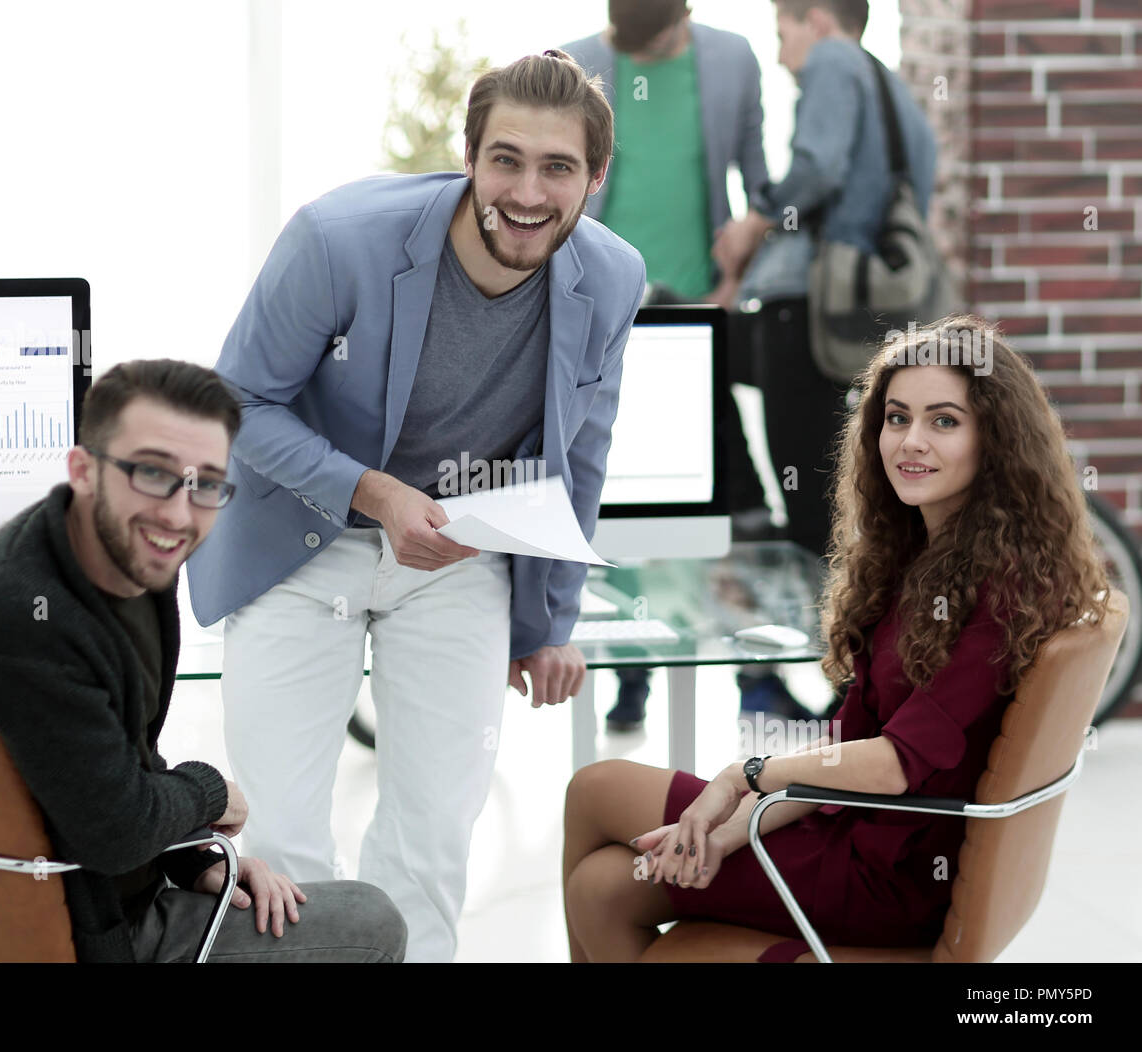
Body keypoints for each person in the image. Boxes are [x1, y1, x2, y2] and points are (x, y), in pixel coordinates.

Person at [185, 51, 647, 962]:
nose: (527, 191)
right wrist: (375, 490)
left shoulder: (614, 277)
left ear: (594, 178)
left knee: (434, 831)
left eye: (558, 168)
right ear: (469, 157)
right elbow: (234, 405)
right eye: (506, 159)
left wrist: (548, 619)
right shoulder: (339, 238)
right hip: (303, 538)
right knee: (280, 835)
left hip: (459, 558)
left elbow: (580, 454)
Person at [562, 317, 1112, 961]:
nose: (911, 441)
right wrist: (735, 830)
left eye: (944, 421)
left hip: (887, 876)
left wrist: (749, 776)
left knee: (601, 866)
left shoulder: (1005, 587)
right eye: (897, 417)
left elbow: (897, 763)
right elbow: (850, 740)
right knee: (600, 831)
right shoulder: (923, 555)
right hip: (850, 825)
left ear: (997, 438)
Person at [0, 360, 407, 963]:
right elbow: (117, 832)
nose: (179, 514)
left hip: (113, 884)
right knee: (371, 924)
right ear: (83, 471)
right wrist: (207, 793)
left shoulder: (124, 556)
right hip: (75, 925)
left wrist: (199, 858)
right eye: (150, 474)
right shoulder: (26, 617)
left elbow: (114, 758)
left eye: (204, 483)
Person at [563, 0, 787, 731]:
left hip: (699, 312)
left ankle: (756, 673)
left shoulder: (730, 60)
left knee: (735, 500)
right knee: (614, 500)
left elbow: (760, 188)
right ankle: (632, 670)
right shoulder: (573, 63)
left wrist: (733, 286)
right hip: (604, 317)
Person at [714, 0, 938, 562]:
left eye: (781, 33)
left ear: (815, 19)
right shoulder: (893, 90)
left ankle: (751, 518)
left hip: (804, 310)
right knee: (827, 498)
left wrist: (753, 223)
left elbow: (817, 167)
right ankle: (755, 517)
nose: (780, 55)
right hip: (854, 312)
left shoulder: (833, 59)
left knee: (810, 521)